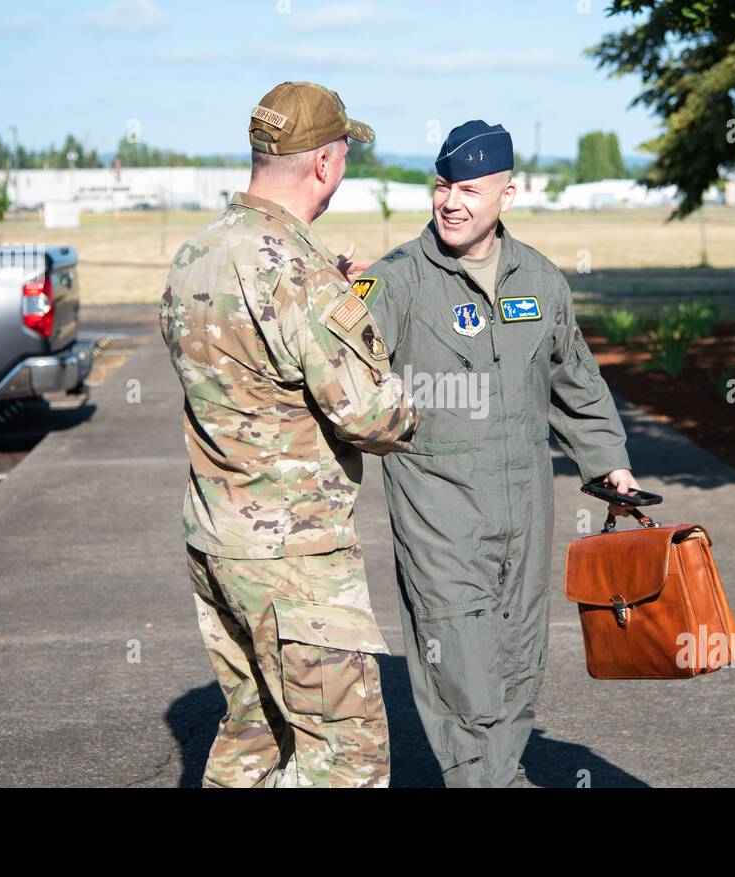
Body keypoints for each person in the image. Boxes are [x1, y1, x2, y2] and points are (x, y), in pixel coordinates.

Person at [355, 120, 639, 788]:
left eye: (470, 189)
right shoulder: (395, 282)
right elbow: (338, 370)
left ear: (507, 195)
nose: (451, 201)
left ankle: (498, 772)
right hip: (440, 511)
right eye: (442, 185)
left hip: (525, 508)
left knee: (517, 661)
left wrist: (608, 461)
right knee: (464, 665)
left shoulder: (539, 280)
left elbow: (575, 379)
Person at [159, 81, 418, 788]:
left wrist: (327, 300)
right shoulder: (301, 274)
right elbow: (376, 417)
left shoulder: (197, 255)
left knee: (254, 737)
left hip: (217, 540)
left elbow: (242, 365)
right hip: (294, 565)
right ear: (325, 166)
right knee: (346, 762)